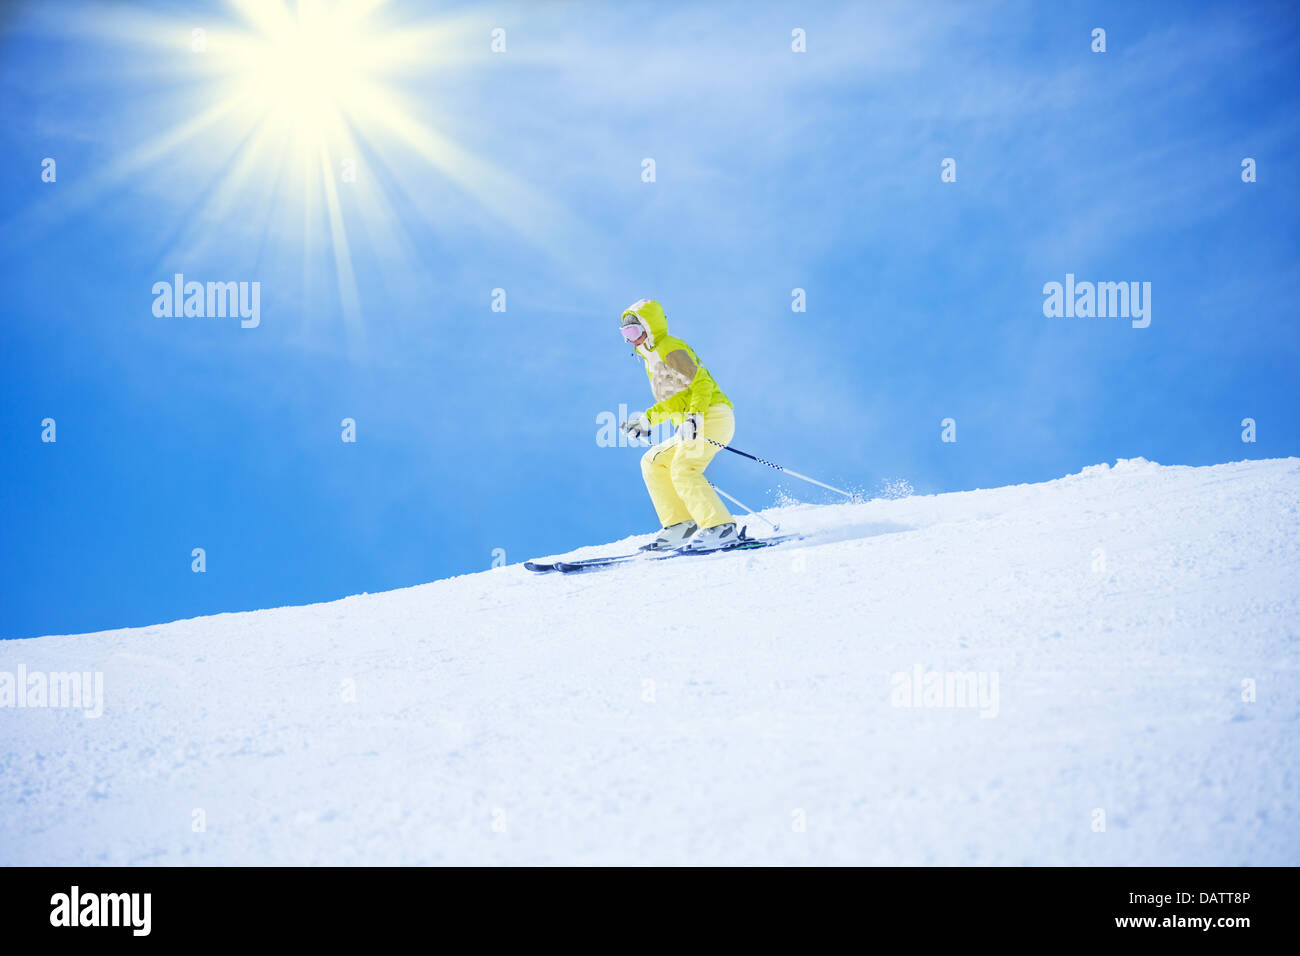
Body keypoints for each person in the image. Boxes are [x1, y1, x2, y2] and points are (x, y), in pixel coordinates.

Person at [618, 298, 739, 551]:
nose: (631, 339)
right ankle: (680, 525)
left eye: (634, 331)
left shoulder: (668, 347)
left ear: (649, 328)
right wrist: (645, 420)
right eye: (625, 333)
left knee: (683, 468)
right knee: (653, 462)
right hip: (693, 423)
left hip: (711, 415)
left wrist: (694, 416)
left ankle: (721, 528)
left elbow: (702, 384)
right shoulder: (651, 361)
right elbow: (670, 403)